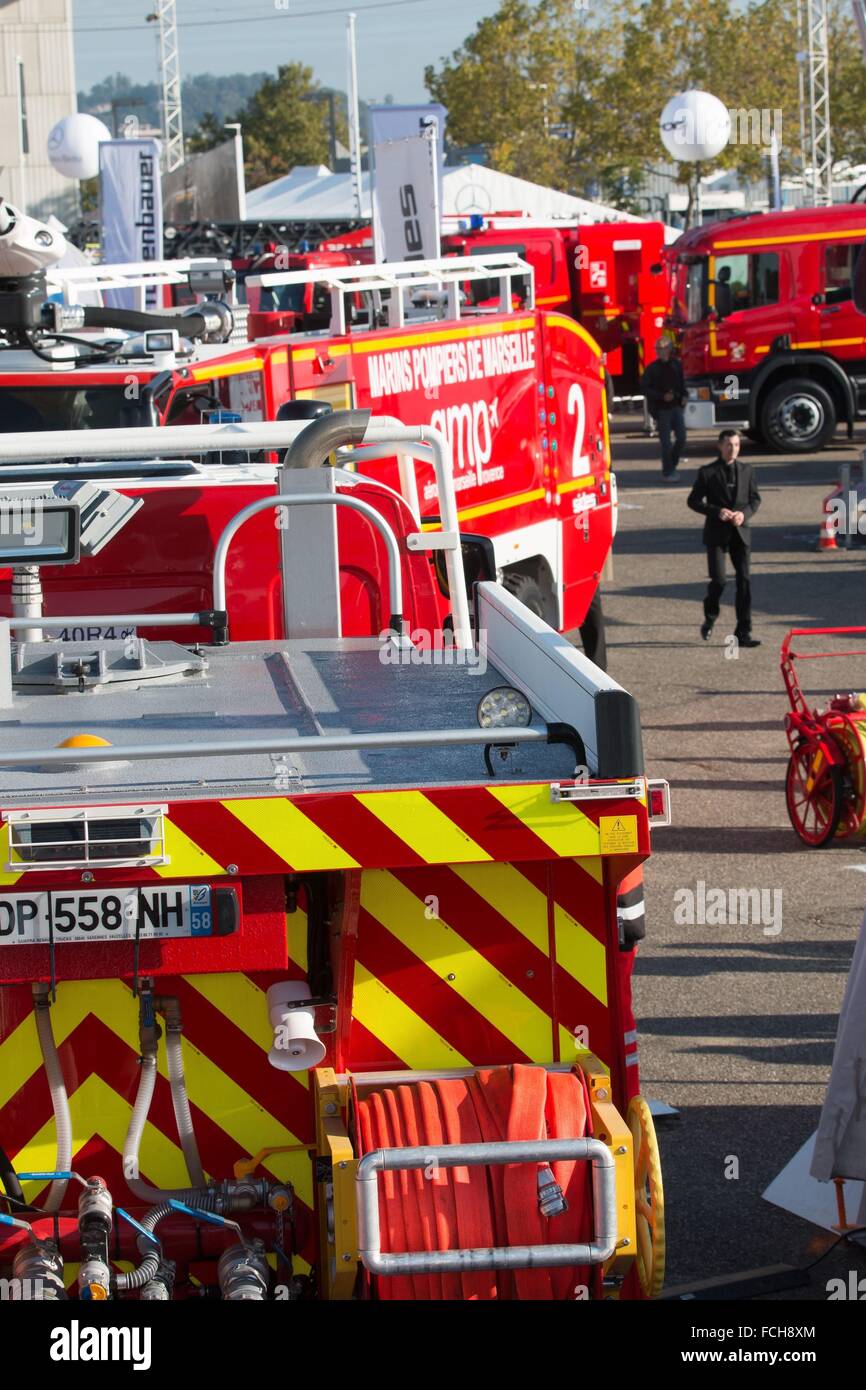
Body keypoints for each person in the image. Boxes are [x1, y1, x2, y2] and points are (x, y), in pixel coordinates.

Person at [687, 428, 761, 648]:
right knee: (719, 581)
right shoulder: (707, 472)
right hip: (717, 534)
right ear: (720, 446)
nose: (733, 449)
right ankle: (710, 615)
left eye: (737, 445)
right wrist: (715, 511)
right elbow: (693, 501)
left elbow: (755, 499)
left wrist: (744, 514)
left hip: (740, 532)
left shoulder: (747, 470)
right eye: (729, 445)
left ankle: (743, 632)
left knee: (744, 581)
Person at [641, 338, 687, 481]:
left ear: (669, 349)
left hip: (676, 407)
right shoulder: (652, 368)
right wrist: (661, 396)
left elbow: (682, 382)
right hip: (662, 410)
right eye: (658, 348)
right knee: (666, 443)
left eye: (663, 348)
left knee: (681, 438)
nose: (660, 351)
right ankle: (668, 472)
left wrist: (684, 395)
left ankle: (671, 464)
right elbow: (645, 388)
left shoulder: (676, 365)